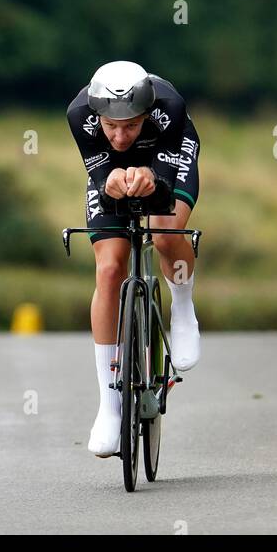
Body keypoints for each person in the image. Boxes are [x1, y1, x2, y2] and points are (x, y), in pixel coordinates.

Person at [66, 60, 201, 457]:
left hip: (166, 156)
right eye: (111, 127)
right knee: (109, 268)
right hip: (112, 175)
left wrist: (152, 180)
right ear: (98, 118)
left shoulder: (169, 108)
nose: (121, 136)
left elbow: (164, 181)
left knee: (162, 232)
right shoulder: (79, 115)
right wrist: (111, 179)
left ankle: (182, 306)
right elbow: (102, 174)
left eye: (130, 125)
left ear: (146, 114)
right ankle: (109, 407)